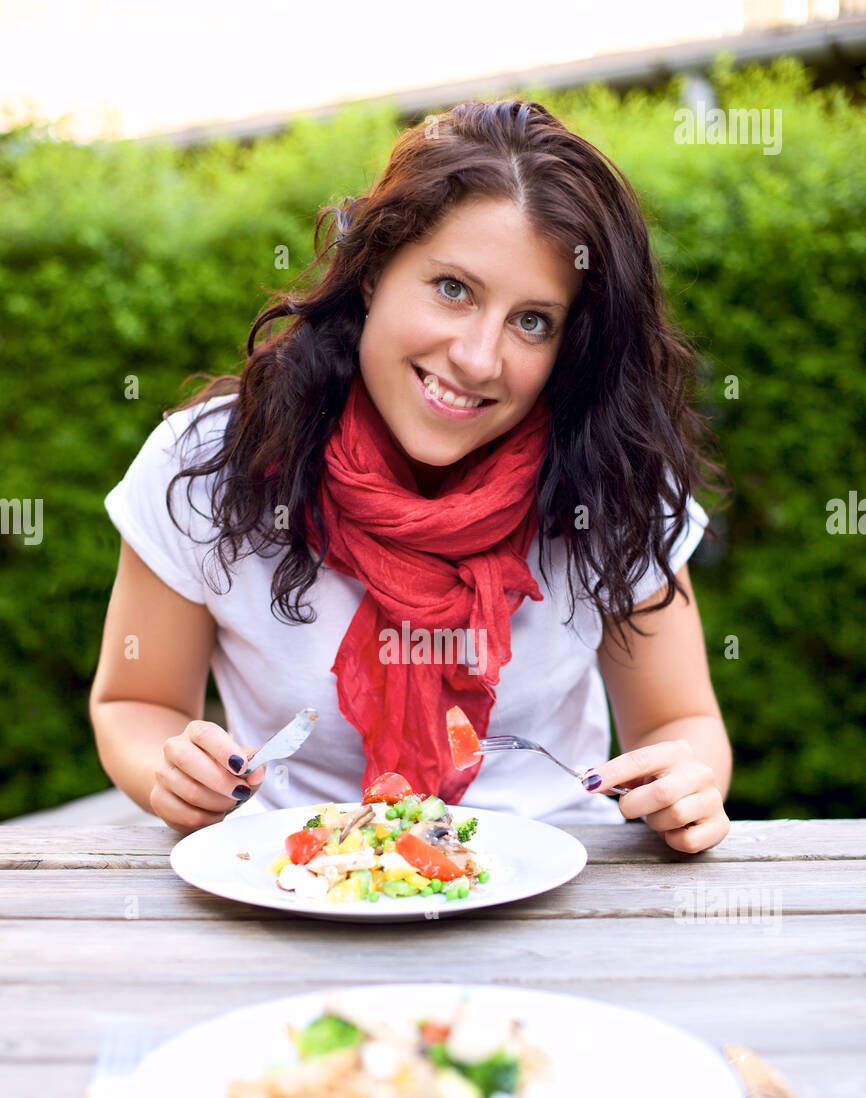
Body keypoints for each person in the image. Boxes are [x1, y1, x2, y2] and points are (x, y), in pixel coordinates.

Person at [91, 98, 733, 853]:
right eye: (453, 288)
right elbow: (135, 701)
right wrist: (168, 773)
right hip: (299, 887)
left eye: (533, 321)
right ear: (371, 274)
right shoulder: (208, 463)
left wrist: (685, 784)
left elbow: (680, 724)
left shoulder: (611, 475)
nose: (478, 358)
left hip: (561, 893)